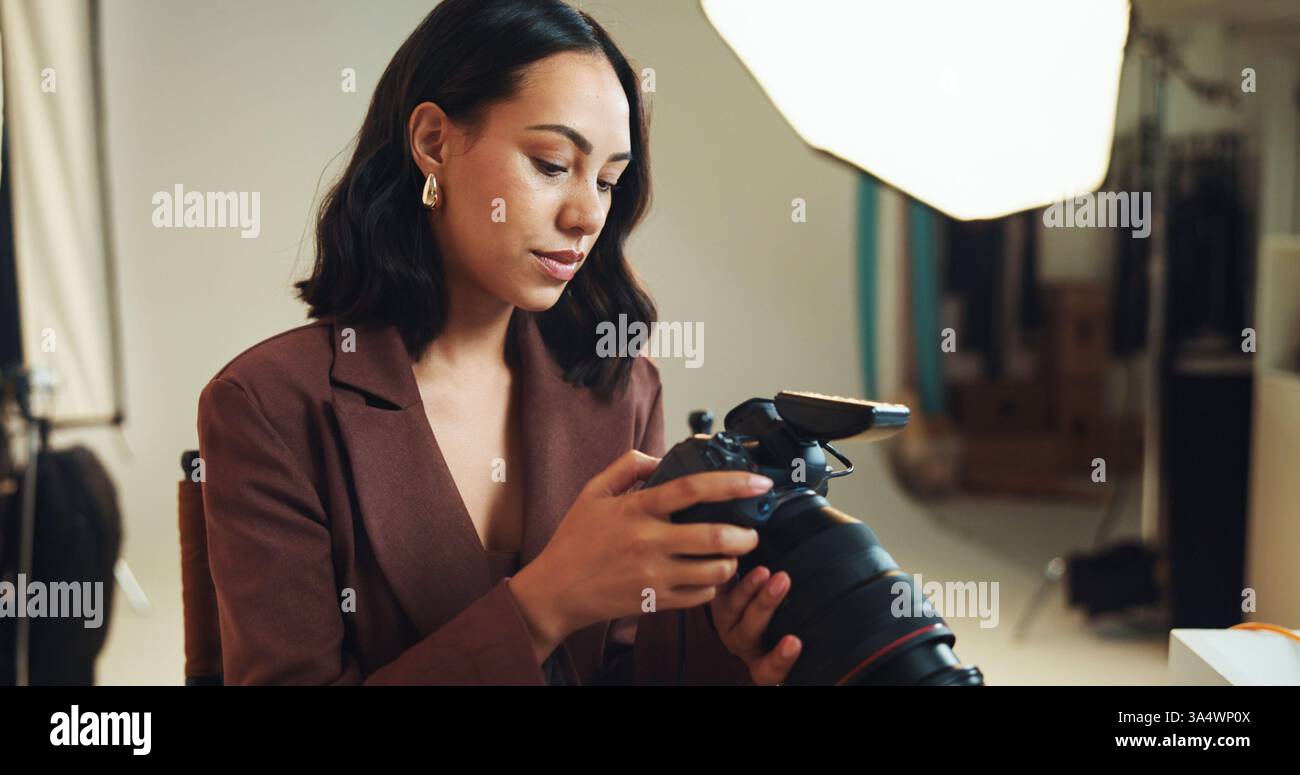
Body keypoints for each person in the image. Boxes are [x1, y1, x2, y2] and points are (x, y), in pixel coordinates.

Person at [196, 0, 802, 685]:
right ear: (433, 142)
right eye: (550, 164)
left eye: (607, 180)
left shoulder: (617, 383)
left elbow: (625, 665)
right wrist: (544, 602)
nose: (585, 215)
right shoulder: (269, 406)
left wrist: (725, 648)